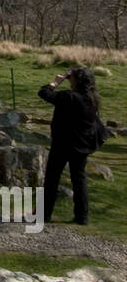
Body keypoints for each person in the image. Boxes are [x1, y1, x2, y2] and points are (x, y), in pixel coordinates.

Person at [38, 67, 101, 225]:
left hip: (63, 144)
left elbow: (44, 93)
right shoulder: (93, 98)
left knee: (52, 179)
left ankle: (44, 214)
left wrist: (56, 82)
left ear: (76, 80)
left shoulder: (69, 96)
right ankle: (82, 217)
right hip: (81, 145)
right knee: (79, 180)